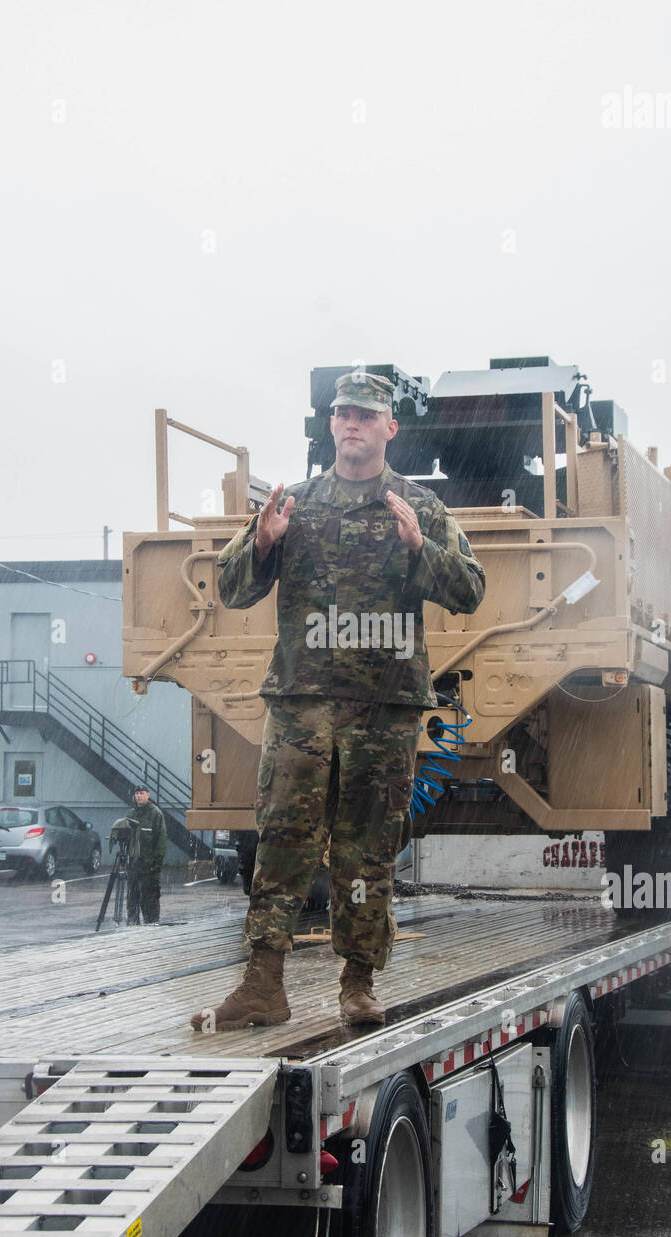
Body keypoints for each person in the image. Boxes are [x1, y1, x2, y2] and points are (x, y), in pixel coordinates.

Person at [191, 371, 485, 1032]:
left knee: (366, 849)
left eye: (366, 415)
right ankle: (263, 983)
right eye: (343, 414)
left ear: (390, 427)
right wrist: (262, 543)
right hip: (302, 706)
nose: (352, 424)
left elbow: (470, 590)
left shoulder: (420, 507)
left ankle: (357, 984)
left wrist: (418, 549)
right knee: (282, 843)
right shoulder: (293, 504)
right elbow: (231, 588)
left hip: (382, 711)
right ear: (332, 425)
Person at [125, 784, 167, 925]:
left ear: (148, 795)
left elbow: (161, 840)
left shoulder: (155, 814)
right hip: (134, 864)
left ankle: (152, 923)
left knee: (150, 896)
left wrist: (156, 863)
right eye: (137, 794)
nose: (138, 796)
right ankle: (132, 923)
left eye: (141, 793)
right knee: (132, 896)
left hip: (149, 864)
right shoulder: (132, 814)